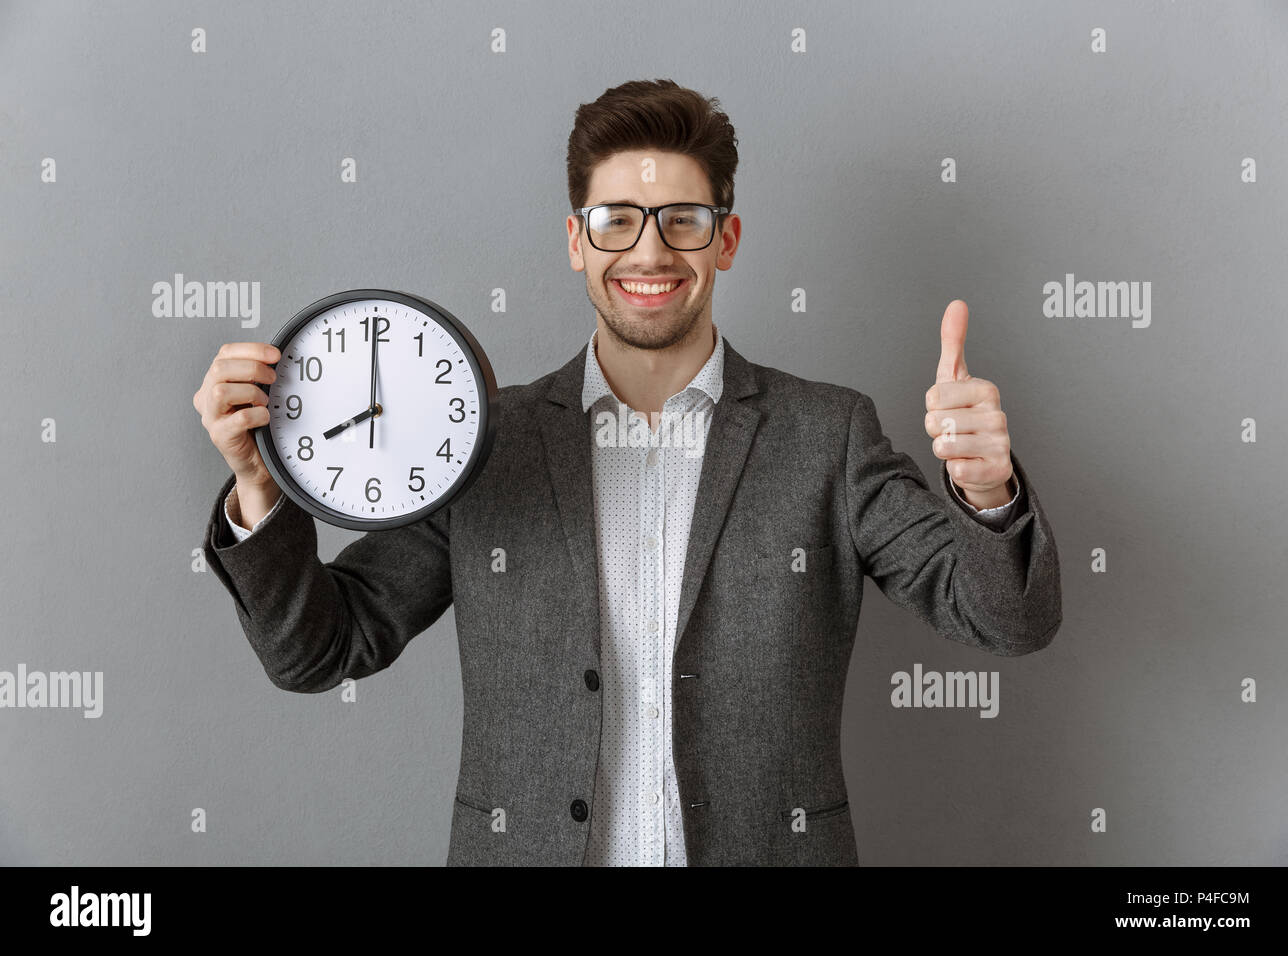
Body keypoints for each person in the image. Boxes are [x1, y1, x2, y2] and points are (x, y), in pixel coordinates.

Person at [192, 78, 1062, 866]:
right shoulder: (489, 446)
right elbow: (320, 651)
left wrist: (986, 493)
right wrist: (257, 485)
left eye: (683, 218)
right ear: (577, 240)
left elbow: (1007, 621)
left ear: (725, 241)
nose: (650, 252)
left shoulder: (826, 435)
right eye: (617, 220)